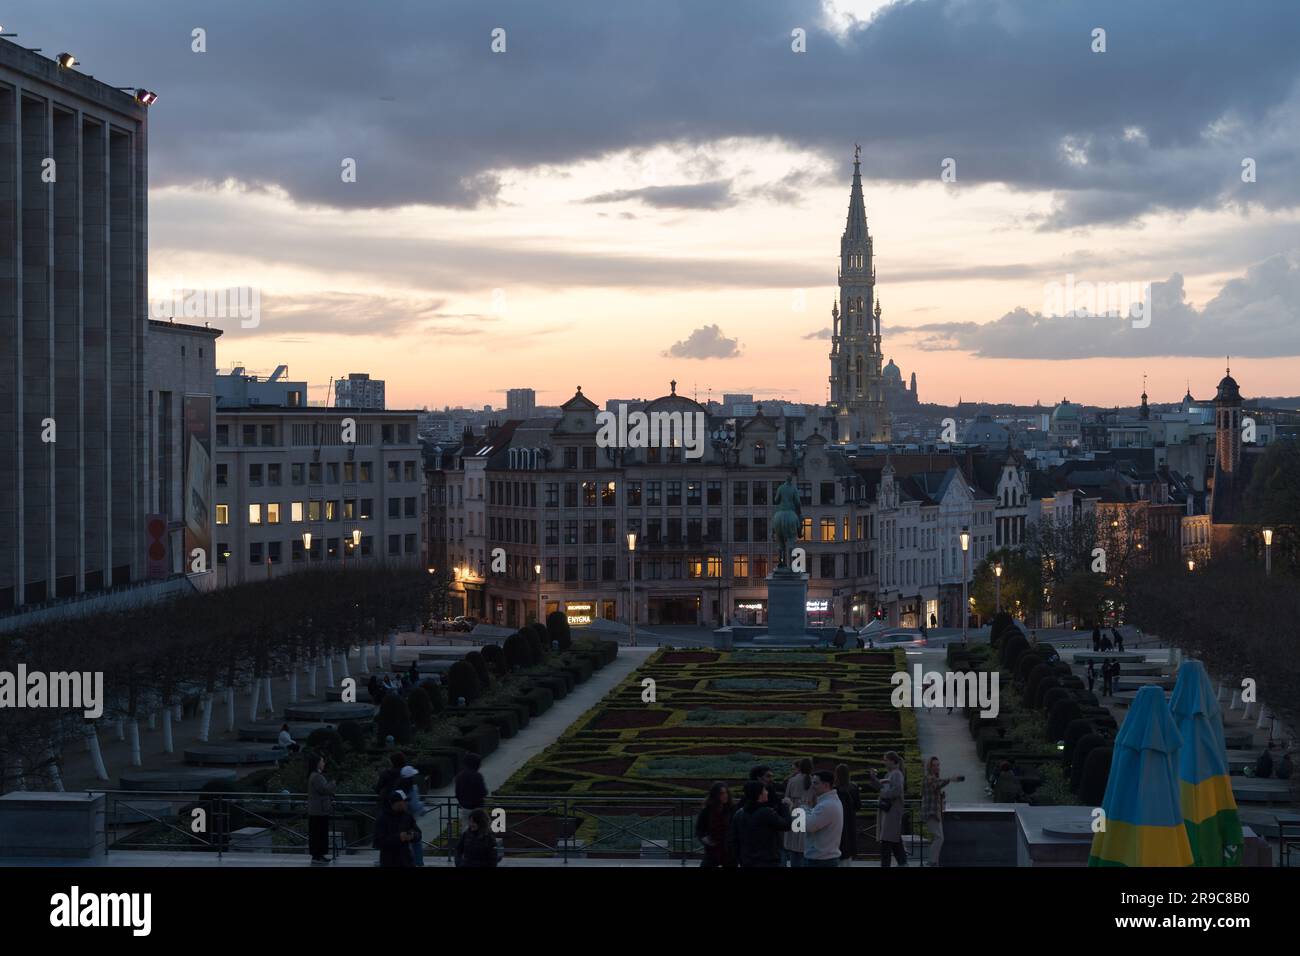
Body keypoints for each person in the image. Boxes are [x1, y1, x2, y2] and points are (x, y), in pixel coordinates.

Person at [727, 779, 792, 867]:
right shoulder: (766, 812)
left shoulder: (739, 814)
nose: (767, 792)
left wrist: (740, 858)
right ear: (759, 794)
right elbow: (786, 825)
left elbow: (733, 840)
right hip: (767, 861)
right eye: (764, 790)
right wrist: (786, 808)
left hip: (747, 861)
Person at [865, 751, 907, 866]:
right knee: (893, 840)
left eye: (885, 760)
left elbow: (896, 791)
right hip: (889, 811)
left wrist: (883, 793)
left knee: (887, 841)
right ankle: (903, 863)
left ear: (892, 761)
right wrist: (873, 778)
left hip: (892, 812)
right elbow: (881, 787)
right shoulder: (890, 774)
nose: (884, 762)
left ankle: (892, 864)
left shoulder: (896, 774)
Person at [921, 756, 963, 866]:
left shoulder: (933, 777)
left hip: (935, 813)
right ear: (929, 767)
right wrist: (950, 779)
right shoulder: (929, 778)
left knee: (939, 838)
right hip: (931, 812)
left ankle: (934, 861)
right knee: (939, 838)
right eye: (934, 765)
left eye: (938, 765)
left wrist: (941, 797)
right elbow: (936, 785)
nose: (937, 767)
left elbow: (936, 787)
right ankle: (932, 862)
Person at [804, 770, 844, 867]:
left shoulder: (827, 805)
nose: (812, 786)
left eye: (816, 783)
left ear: (826, 785)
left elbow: (808, 826)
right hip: (824, 858)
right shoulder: (828, 801)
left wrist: (800, 810)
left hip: (821, 860)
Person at [375, 789, 421, 868]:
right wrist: (398, 837)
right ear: (397, 803)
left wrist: (413, 835)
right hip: (389, 862)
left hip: (407, 860)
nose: (407, 803)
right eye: (404, 801)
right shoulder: (382, 818)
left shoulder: (408, 816)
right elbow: (378, 842)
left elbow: (418, 833)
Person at [694, 782, 736, 868]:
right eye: (722, 793)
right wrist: (705, 840)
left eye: (726, 793)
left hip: (729, 850)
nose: (725, 795)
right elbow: (700, 829)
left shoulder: (732, 810)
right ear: (715, 795)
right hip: (713, 850)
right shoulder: (707, 811)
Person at [783, 758, 815, 867]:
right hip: (808, 811)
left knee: (794, 845)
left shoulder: (792, 780)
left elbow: (787, 798)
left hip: (795, 812)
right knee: (804, 844)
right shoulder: (813, 781)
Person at [372, 752, 406, 848]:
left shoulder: (385, 773)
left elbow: (378, 788)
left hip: (386, 804)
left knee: (385, 828)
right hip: (402, 804)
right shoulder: (405, 774)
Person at [306, 753, 335, 864]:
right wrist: (332, 783)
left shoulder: (313, 775)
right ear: (317, 763)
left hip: (317, 810)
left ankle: (318, 855)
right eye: (322, 761)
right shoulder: (317, 776)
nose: (324, 763)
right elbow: (324, 789)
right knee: (320, 834)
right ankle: (318, 856)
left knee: (317, 834)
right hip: (320, 810)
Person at [454, 752, 489, 832]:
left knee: (465, 829)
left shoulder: (459, 776)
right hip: (478, 807)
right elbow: (483, 792)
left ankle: (467, 843)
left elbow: (457, 793)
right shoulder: (477, 776)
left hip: (465, 807)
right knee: (481, 828)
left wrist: (462, 803)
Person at [834, 764, 861, 866]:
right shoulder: (853, 787)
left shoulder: (835, 788)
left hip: (837, 820)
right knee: (848, 844)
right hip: (850, 819)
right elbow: (858, 806)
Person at [399, 765, 426, 865]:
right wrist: (423, 807)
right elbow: (415, 805)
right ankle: (418, 863)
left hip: (398, 819)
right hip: (409, 820)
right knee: (416, 841)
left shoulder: (397, 788)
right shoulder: (412, 789)